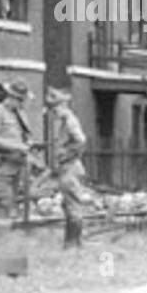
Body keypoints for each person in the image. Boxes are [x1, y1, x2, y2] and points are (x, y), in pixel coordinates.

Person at [45, 87, 90, 249]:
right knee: (68, 204)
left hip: (70, 168)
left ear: (63, 105)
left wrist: (66, 156)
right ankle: (71, 243)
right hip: (67, 168)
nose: (54, 112)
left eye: (56, 108)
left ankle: (74, 243)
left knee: (73, 205)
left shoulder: (69, 120)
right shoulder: (63, 121)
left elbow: (81, 141)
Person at [0, 80, 34, 217]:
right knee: (3, 197)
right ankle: (2, 232)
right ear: (12, 98)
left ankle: (10, 230)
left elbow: (24, 133)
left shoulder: (19, 114)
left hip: (16, 163)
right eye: (21, 101)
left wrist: (29, 142)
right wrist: (19, 146)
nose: (23, 104)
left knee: (13, 199)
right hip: (0, 162)